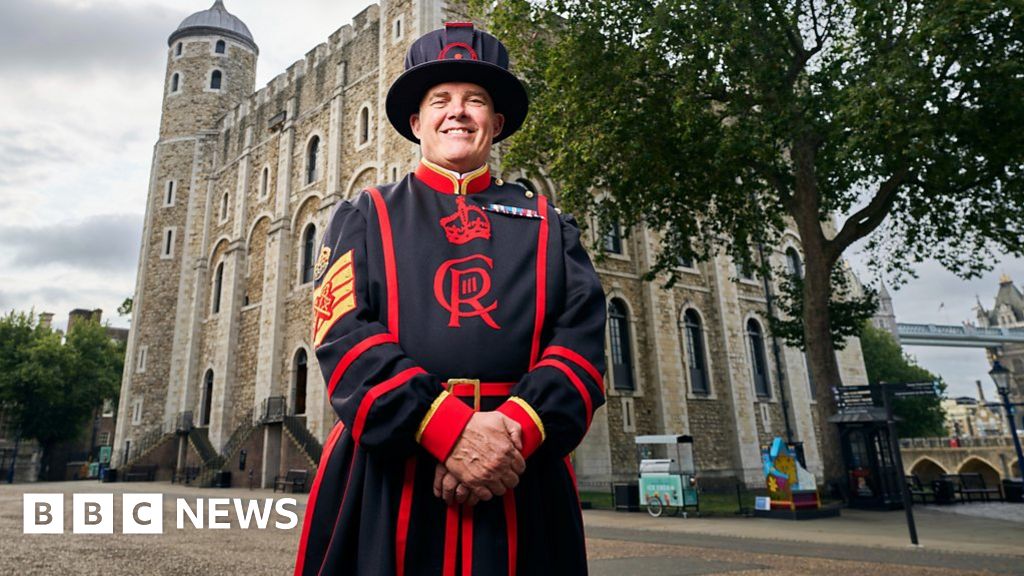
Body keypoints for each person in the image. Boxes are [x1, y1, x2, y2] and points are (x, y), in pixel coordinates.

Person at [294, 22, 606, 576]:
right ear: (416, 123)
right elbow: (342, 338)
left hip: (521, 474)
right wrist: (446, 429)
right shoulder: (364, 215)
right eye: (440, 101)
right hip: (390, 478)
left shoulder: (550, 227)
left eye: (475, 101)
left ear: (498, 122)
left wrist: (509, 435)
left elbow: (580, 347)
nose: (457, 113)